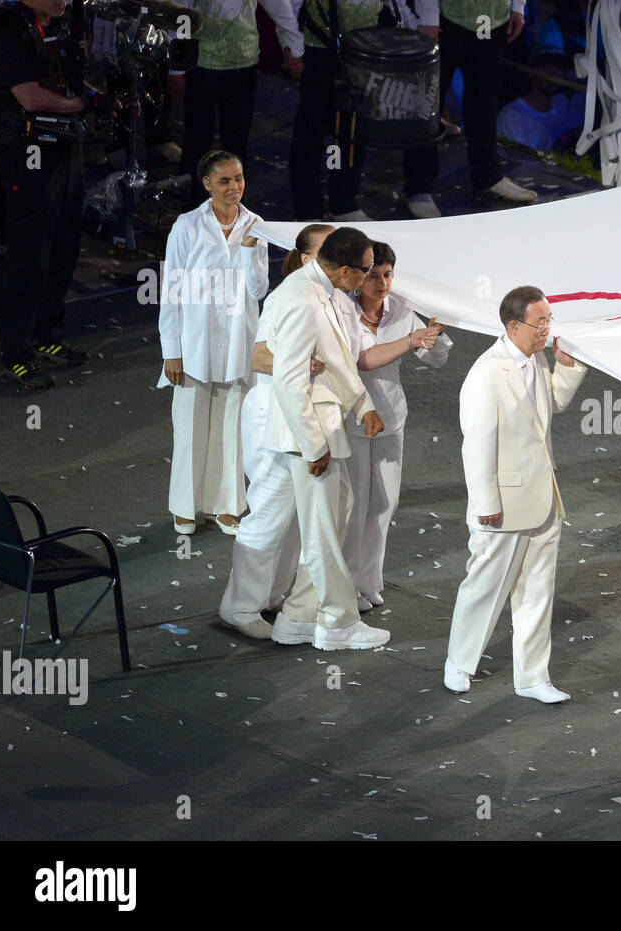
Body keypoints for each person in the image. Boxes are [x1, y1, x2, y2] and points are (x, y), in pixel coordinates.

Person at [443, 285, 586, 703]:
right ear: (513, 325)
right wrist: (485, 503)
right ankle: (460, 661)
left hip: (543, 499)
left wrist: (568, 369)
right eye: (539, 323)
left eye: (548, 322)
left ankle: (533, 677)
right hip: (503, 505)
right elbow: (477, 443)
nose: (546, 330)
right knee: (486, 585)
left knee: (538, 591)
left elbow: (551, 404)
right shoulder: (487, 373)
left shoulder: (535, 358)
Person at [262, 227, 391, 651]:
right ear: (343, 269)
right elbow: (288, 379)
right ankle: (337, 623)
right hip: (309, 433)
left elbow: (335, 357)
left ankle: (297, 617)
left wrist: (362, 405)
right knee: (323, 531)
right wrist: (313, 446)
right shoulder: (300, 298)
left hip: (326, 422)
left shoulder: (325, 292)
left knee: (338, 514)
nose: (370, 278)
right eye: (366, 271)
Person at [219, 223, 333, 639]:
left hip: (300, 419)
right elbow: (259, 356)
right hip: (273, 419)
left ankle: (271, 597)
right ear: (305, 258)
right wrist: (300, 363)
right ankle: (240, 607)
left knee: (293, 519)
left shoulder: (328, 297)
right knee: (267, 513)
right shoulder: (290, 295)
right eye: (327, 249)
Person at [159, 150, 269, 537]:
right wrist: (170, 350)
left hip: (239, 342)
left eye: (238, 178)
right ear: (206, 184)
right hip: (194, 345)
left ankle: (228, 506)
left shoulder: (256, 224)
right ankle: (186, 507)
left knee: (232, 428)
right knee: (189, 427)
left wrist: (250, 250)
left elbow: (258, 289)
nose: (234, 187)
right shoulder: (187, 227)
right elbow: (170, 291)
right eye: (224, 181)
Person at [340, 240, 451, 611]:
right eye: (373, 275)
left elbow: (435, 357)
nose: (381, 282)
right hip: (351, 417)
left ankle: (368, 581)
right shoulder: (342, 309)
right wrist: (411, 340)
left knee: (384, 503)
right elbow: (359, 360)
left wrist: (432, 339)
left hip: (390, 416)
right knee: (353, 505)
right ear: (358, 277)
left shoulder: (401, 310)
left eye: (387, 274)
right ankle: (344, 584)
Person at [0, 0, 89, 389]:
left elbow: (71, 79)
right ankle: (16, 352)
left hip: (64, 146)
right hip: (27, 150)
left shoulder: (63, 24)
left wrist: (92, 95)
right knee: (28, 250)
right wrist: (78, 104)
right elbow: (29, 97)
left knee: (64, 240)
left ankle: (48, 336)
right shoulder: (6, 27)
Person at [289, 0, 441, 221]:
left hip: (364, 47)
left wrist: (415, 26)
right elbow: (289, 4)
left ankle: (343, 202)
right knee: (312, 127)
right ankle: (307, 208)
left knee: (353, 125)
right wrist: (292, 45)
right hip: (319, 47)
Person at [405, 0, 539, 219]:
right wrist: (428, 16)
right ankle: (419, 187)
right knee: (429, 98)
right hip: (446, 16)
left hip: (494, 16)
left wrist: (517, 6)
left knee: (484, 96)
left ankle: (488, 176)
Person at [174, 0, 306, 204]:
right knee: (197, 139)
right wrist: (177, 67)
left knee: (236, 140)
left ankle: (231, 206)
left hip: (243, 62)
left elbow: (279, 6)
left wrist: (292, 45)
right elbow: (180, 11)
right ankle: (192, 206)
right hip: (201, 62)